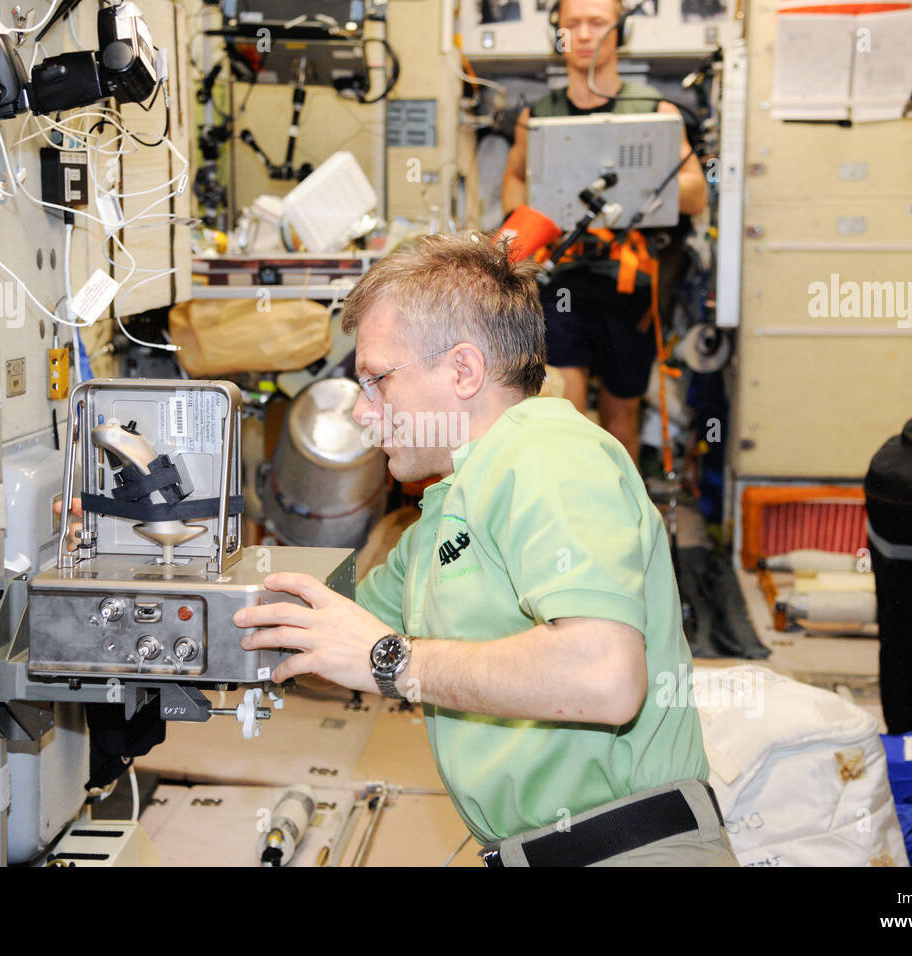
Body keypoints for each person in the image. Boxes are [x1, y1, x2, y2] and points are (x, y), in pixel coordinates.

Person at [235, 232, 736, 866]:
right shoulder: (444, 519)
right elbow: (317, 636)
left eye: (376, 381)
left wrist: (392, 660)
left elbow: (604, 676)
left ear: (464, 370)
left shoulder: (548, 451)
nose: (364, 414)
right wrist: (144, 560)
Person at [501, 0, 708, 463]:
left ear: (620, 32)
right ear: (558, 34)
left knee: (620, 423)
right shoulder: (538, 117)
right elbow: (513, 182)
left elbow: (696, 193)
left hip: (627, 286)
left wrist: (643, 193)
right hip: (561, 283)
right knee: (564, 416)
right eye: (572, 23)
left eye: (597, 22)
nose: (585, 33)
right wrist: (541, 207)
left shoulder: (655, 111)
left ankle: (620, 522)